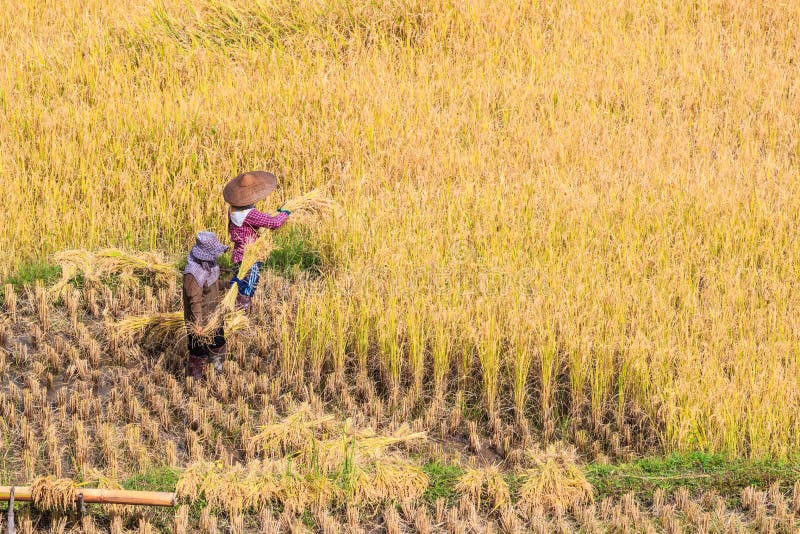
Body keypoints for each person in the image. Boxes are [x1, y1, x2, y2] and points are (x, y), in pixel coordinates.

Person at [224, 171, 290, 310]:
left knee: (239, 281)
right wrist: (285, 213)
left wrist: (271, 215)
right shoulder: (249, 214)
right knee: (248, 286)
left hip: (238, 253)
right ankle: (241, 312)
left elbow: (260, 219)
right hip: (250, 255)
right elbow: (273, 223)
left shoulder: (233, 210)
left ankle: (232, 306)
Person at [182, 231, 229, 380]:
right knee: (198, 349)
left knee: (218, 342)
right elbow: (194, 300)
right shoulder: (193, 273)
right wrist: (198, 324)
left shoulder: (210, 265)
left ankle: (217, 372)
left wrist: (229, 284)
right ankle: (194, 379)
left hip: (214, 313)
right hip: (199, 318)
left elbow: (213, 285)